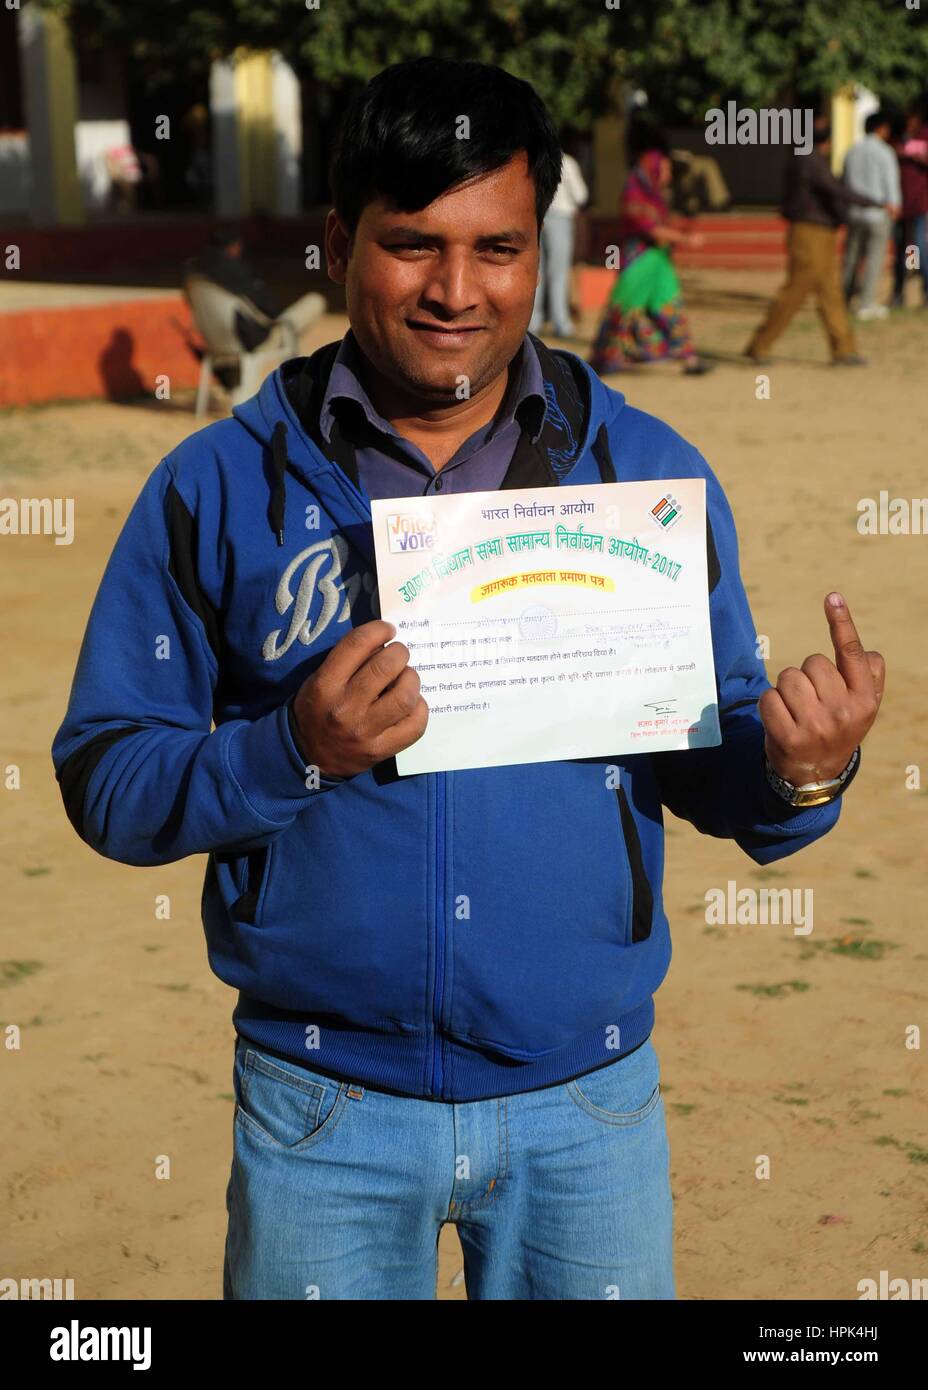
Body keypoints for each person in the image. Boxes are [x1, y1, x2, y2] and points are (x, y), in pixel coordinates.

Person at [52, 57, 884, 1302]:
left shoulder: (640, 472)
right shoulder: (216, 487)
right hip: (320, 1107)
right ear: (338, 246)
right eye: (411, 244)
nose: (456, 290)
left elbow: (710, 752)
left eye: (496, 246)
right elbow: (109, 773)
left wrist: (796, 769)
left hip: (586, 1108)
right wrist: (289, 751)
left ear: (539, 249)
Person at [746, 123, 890, 365]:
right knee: (796, 291)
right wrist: (873, 203)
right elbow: (833, 189)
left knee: (831, 293)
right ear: (826, 142)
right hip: (810, 232)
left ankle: (844, 349)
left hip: (818, 231)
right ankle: (760, 345)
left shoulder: (801, 158)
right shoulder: (809, 159)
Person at [588, 142, 712, 376]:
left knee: (670, 306)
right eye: (663, 169)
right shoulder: (633, 194)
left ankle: (690, 359)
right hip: (640, 260)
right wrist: (686, 239)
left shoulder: (655, 195)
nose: (667, 175)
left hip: (659, 260)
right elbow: (651, 229)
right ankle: (604, 360)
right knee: (625, 306)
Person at [187, 225, 324, 353]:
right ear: (235, 247)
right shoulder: (236, 270)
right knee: (316, 300)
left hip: (214, 344)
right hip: (250, 342)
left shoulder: (195, 274)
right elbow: (269, 309)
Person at [842, 110, 901, 320]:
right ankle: (866, 303)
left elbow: (845, 181)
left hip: (855, 212)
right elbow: (890, 182)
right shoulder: (885, 152)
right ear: (881, 128)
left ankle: (843, 299)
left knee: (851, 258)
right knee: (874, 259)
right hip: (877, 213)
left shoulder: (852, 150)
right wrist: (895, 206)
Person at [528, 144, 588, 339]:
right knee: (559, 272)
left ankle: (533, 322)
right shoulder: (567, 162)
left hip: (537, 216)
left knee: (537, 271)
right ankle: (560, 322)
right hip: (561, 218)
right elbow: (581, 195)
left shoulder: (534, 159)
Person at [890, 107, 928, 308]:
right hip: (900, 204)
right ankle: (898, 292)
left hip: (920, 203)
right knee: (903, 250)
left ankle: (925, 291)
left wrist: (908, 151)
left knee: (921, 247)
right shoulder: (895, 137)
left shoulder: (924, 134)